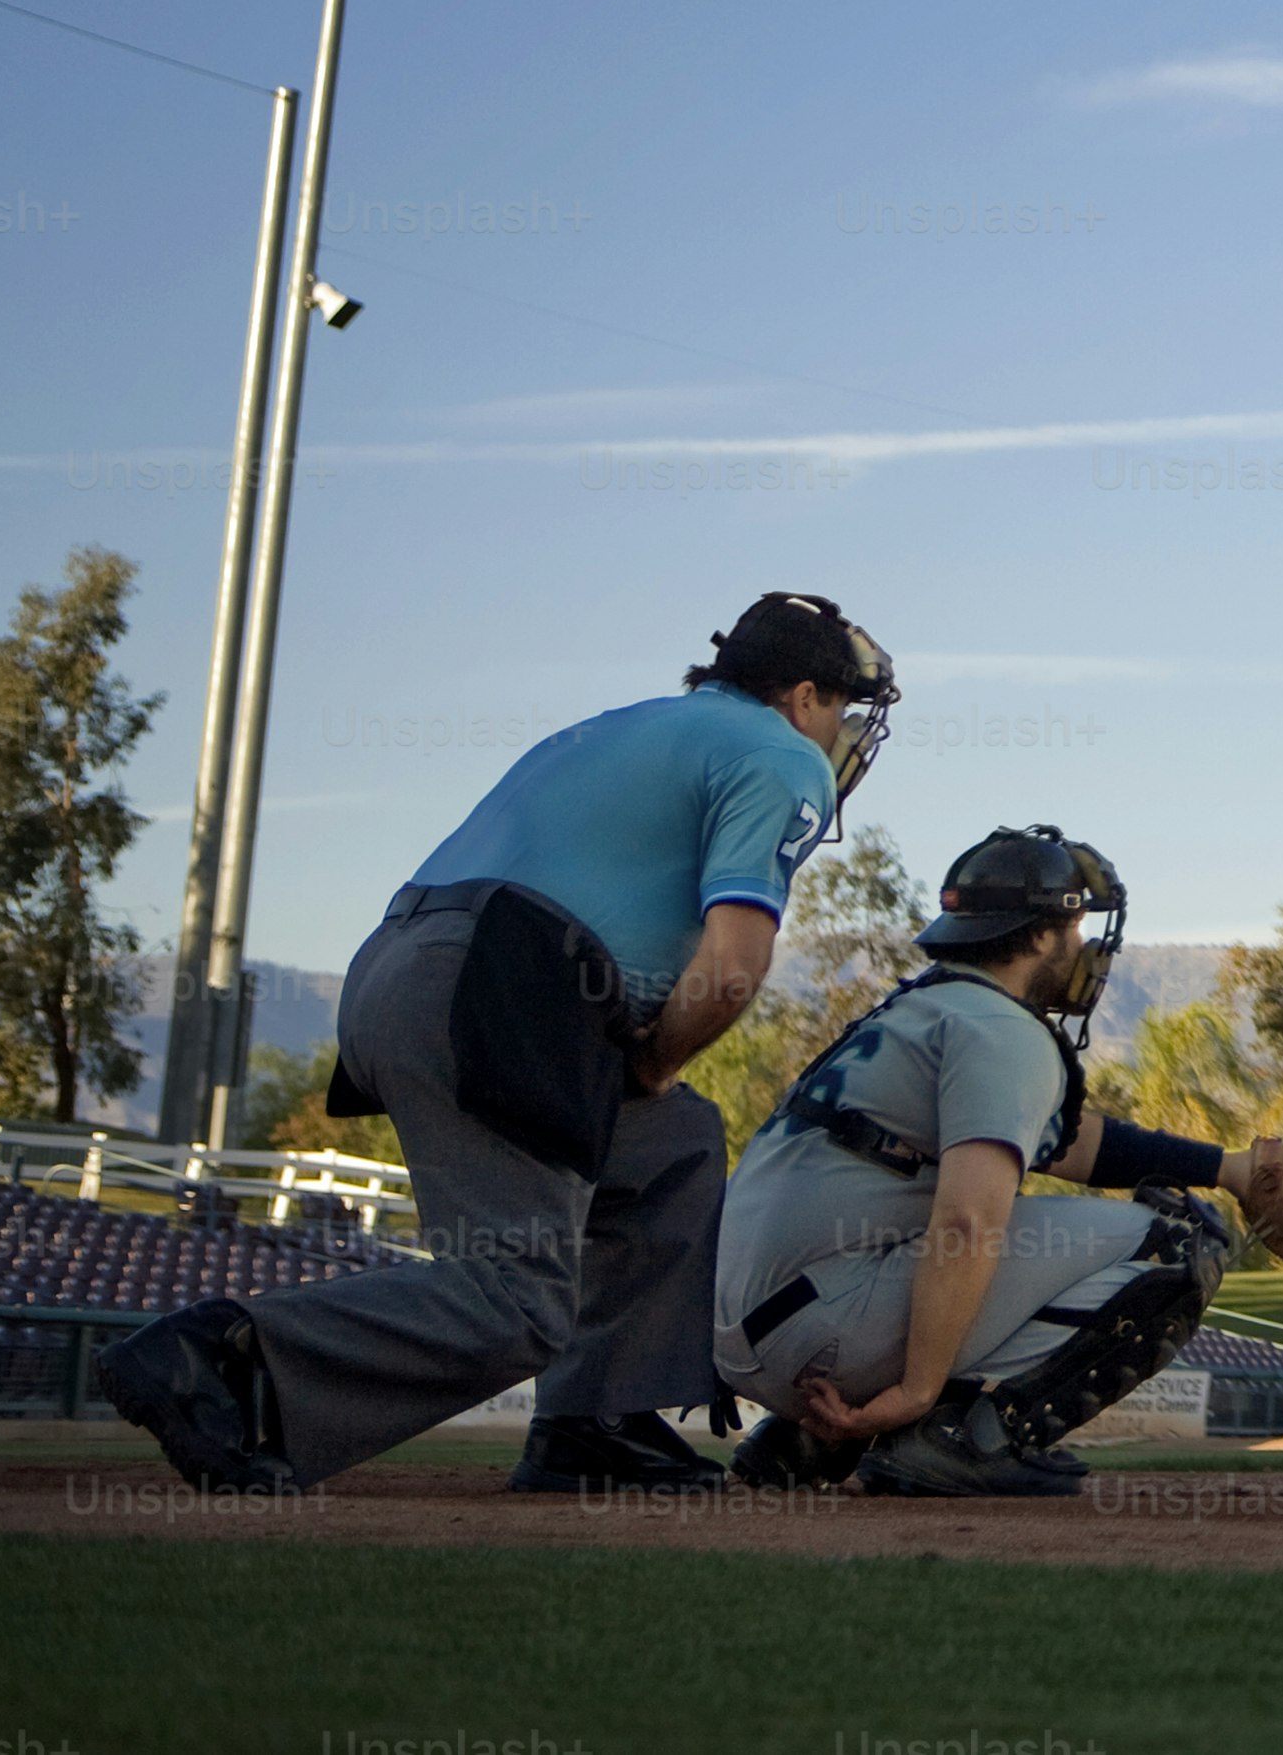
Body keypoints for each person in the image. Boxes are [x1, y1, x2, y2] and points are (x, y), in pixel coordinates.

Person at [98, 592, 895, 1496]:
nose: (840, 731)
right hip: (503, 984)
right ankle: (220, 1354)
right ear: (801, 695)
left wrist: (635, 1080)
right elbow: (731, 968)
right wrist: (649, 1062)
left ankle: (593, 1423)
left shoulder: (618, 726)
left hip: (409, 967)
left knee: (670, 1144)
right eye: (840, 706)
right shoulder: (781, 752)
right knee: (518, 1298)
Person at [708, 823, 1283, 1496]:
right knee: (1177, 1241)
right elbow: (967, 1222)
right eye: (1074, 926)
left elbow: (1072, 1142)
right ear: (1034, 934)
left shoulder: (926, 1007)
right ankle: (959, 1436)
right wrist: (914, 1389)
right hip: (822, 1332)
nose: (1085, 947)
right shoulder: (1002, 1031)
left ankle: (802, 1438)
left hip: (757, 1333)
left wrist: (1227, 1165)